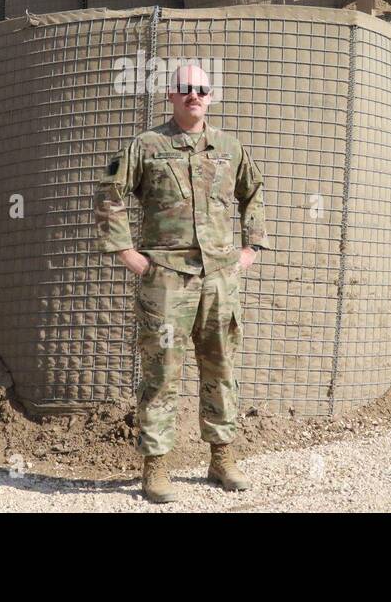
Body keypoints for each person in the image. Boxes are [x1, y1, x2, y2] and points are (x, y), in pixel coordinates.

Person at [94, 62, 268, 503]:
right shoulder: (147, 145)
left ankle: (222, 458)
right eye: (185, 89)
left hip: (219, 280)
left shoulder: (229, 147)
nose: (194, 95)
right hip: (166, 280)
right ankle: (155, 467)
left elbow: (254, 193)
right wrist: (127, 254)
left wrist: (251, 248)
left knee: (221, 368)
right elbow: (109, 196)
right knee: (161, 373)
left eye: (202, 90)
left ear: (211, 96)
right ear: (170, 96)